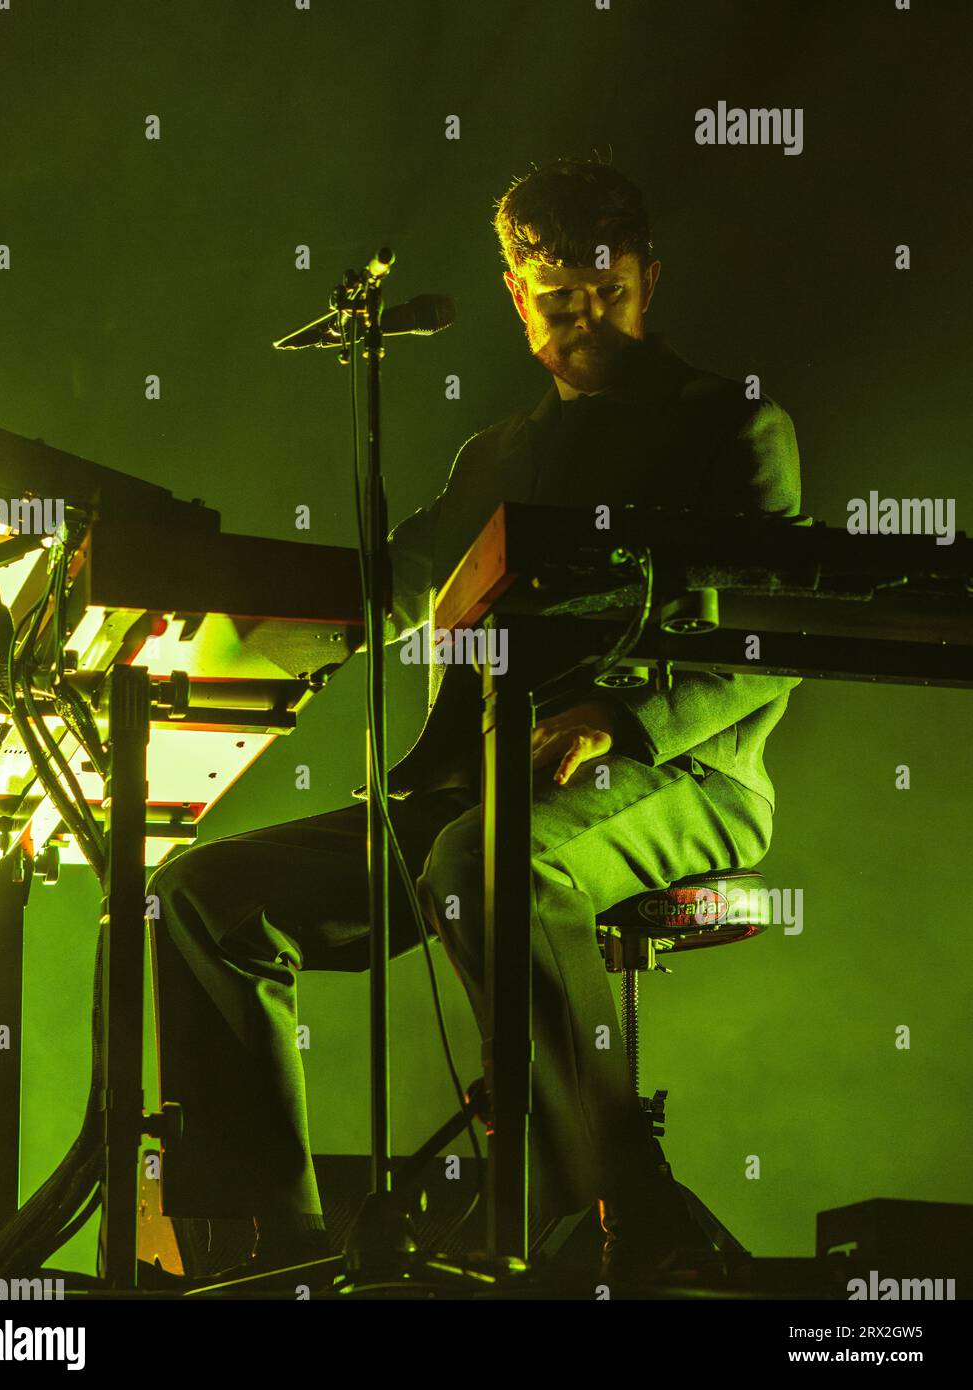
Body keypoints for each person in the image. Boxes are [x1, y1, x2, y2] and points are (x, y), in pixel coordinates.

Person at [147, 156, 802, 1283]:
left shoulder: (729, 422)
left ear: (651, 276)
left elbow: (769, 631)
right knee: (202, 897)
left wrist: (619, 714)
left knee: (476, 861)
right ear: (515, 295)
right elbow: (397, 585)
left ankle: (603, 1213)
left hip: (683, 776)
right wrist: (223, 620)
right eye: (557, 300)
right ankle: (268, 1244)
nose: (585, 318)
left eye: (609, 292)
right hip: (475, 785)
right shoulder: (496, 454)